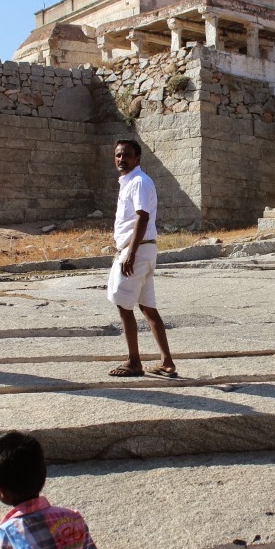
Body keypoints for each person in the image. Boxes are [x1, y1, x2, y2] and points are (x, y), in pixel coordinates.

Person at [106, 139, 177, 379]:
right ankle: (167, 362)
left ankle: (134, 361)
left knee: (123, 304)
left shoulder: (138, 182)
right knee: (147, 307)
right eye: (118, 155)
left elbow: (142, 217)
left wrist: (131, 253)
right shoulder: (130, 182)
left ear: (137, 158)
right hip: (140, 250)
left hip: (136, 250)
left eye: (126, 155)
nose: (121, 159)